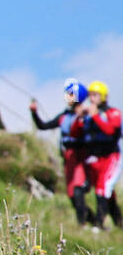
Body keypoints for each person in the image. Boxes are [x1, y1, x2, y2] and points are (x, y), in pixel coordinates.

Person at [31, 79, 92, 225]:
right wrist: (34, 112)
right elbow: (43, 126)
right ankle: (93, 221)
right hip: (68, 158)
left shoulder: (87, 114)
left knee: (78, 190)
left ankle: (82, 224)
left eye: (71, 94)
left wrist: (83, 117)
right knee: (71, 194)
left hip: (81, 157)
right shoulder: (64, 116)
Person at [77, 80, 122, 230]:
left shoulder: (112, 112)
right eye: (90, 95)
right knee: (107, 192)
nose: (92, 98)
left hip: (111, 156)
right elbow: (80, 135)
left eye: (95, 95)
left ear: (103, 96)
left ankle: (99, 224)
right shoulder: (88, 116)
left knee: (103, 188)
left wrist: (95, 116)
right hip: (95, 158)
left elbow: (110, 130)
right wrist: (80, 117)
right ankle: (119, 223)